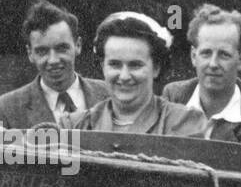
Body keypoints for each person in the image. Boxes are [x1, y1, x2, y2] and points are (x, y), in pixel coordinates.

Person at [59, 12, 209, 137]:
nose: (124, 76)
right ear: (102, 66)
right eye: (115, 64)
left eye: (135, 65)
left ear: (156, 67)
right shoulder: (74, 126)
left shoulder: (185, 122)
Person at [162, 4, 241, 146]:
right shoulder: (173, 96)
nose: (213, 64)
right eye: (206, 53)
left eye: (224, 55)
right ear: (193, 56)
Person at [0, 0, 110, 128]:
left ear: (78, 45)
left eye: (61, 48)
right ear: (30, 53)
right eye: (42, 51)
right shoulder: (5, 111)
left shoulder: (111, 95)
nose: (53, 60)